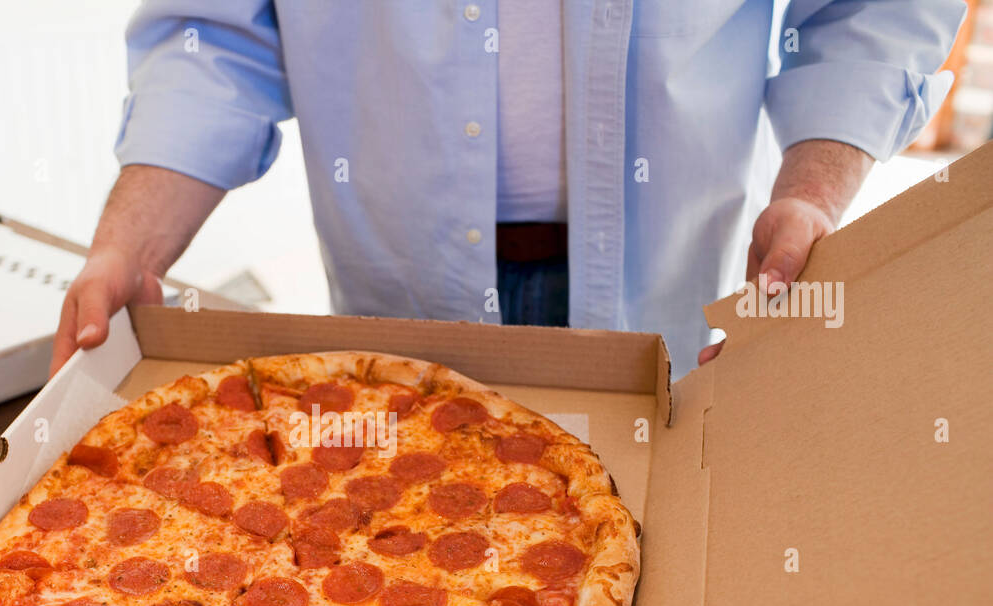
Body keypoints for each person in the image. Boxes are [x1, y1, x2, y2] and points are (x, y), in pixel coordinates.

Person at [52, 1, 964, 376]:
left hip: (676, 291)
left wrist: (812, 187)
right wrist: (130, 244)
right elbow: (216, 35)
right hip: (393, 300)